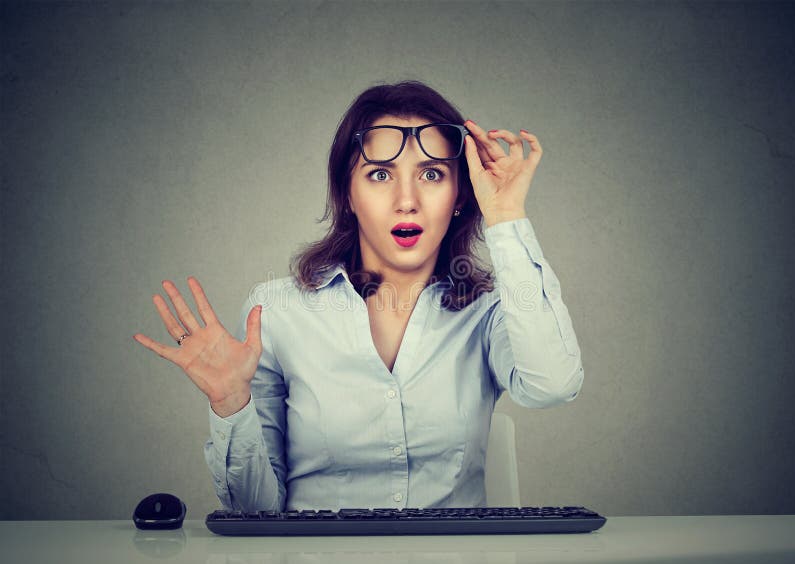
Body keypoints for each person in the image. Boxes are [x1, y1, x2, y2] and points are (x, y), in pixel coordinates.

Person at [133, 80, 584, 513]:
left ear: (460, 194)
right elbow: (254, 510)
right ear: (347, 193)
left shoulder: (486, 313)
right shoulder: (277, 313)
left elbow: (554, 385)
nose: (406, 200)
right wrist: (232, 403)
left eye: (431, 174)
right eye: (380, 174)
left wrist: (505, 216)